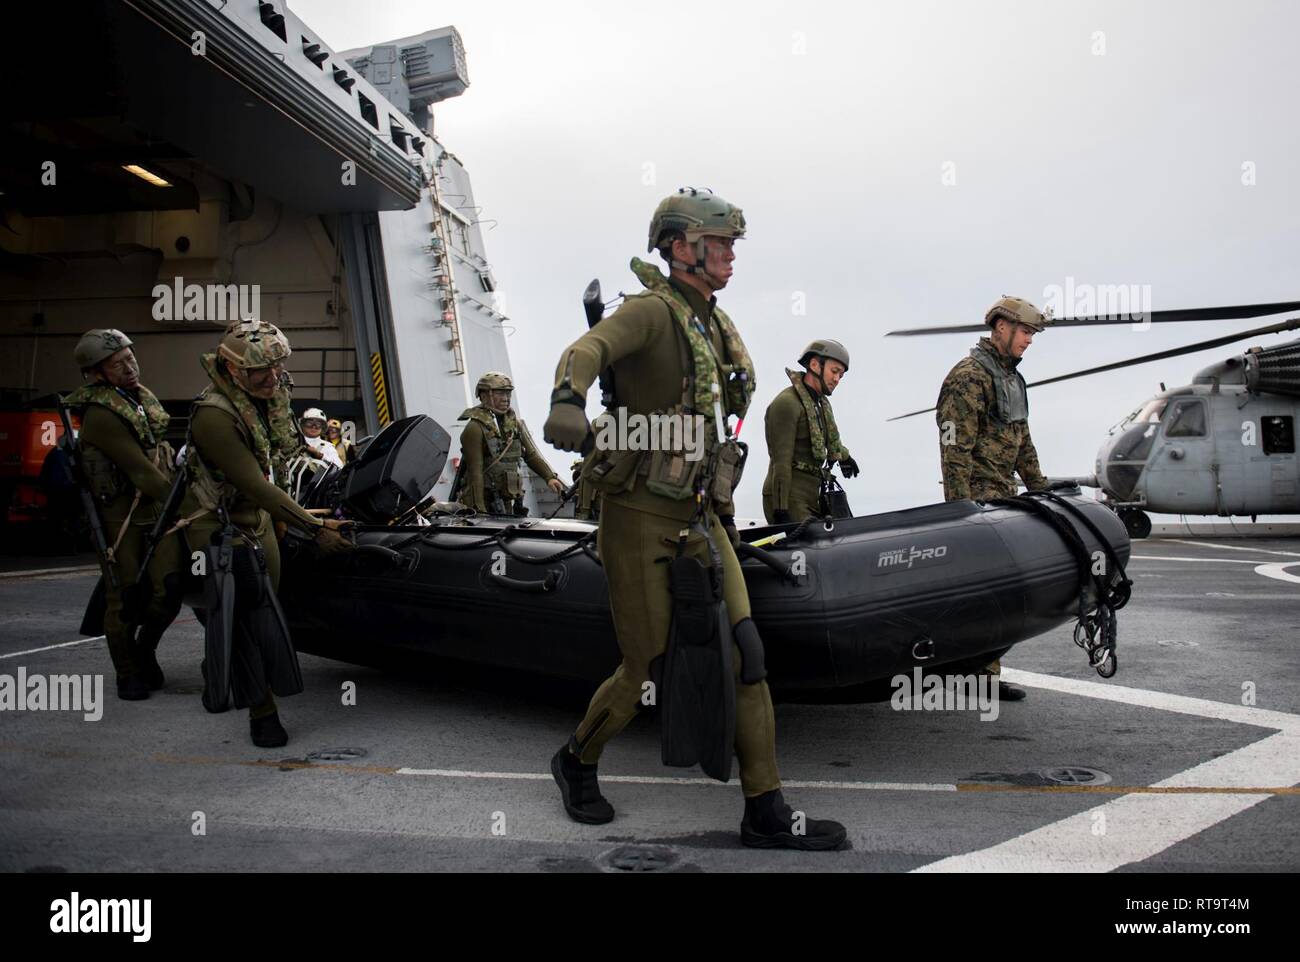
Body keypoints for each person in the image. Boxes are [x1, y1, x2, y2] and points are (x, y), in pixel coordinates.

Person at [542, 187, 846, 850]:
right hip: (639, 516)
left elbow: (712, 425)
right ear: (682, 247)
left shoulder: (709, 322)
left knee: (748, 656)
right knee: (643, 663)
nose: (731, 255)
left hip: (704, 516)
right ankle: (576, 760)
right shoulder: (652, 313)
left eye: (733, 244)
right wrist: (568, 401)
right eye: (720, 243)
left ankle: (764, 809)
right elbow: (587, 349)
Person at [185, 320, 352, 746]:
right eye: (261, 370)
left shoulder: (266, 398)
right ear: (232, 369)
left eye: (278, 368)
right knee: (245, 617)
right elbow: (255, 483)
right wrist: (314, 528)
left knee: (265, 607)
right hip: (220, 525)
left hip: (258, 519)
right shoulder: (214, 416)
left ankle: (222, 669)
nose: (272, 377)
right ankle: (262, 712)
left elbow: (281, 456)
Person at [62, 329, 190, 700]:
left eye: (131, 358)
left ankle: (144, 649)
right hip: (120, 517)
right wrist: (189, 508)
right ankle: (126, 671)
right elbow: (142, 472)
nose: (131, 367)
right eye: (118, 364)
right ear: (96, 373)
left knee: (170, 588)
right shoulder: (101, 414)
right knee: (126, 595)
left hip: (154, 510)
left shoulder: (134, 400)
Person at [935, 295, 1050, 702]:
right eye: (1025, 332)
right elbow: (954, 449)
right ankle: (965, 670)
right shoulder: (969, 377)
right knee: (984, 597)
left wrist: (1041, 490)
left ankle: (982, 673)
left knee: (1002, 597)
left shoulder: (1012, 379)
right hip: (978, 502)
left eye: (1032, 334)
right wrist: (959, 513)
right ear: (1001, 327)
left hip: (1006, 500)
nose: (1029, 341)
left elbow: (1023, 443)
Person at [761, 339, 860, 523]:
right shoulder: (787, 404)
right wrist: (781, 509)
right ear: (815, 365)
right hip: (789, 498)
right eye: (834, 371)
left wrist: (845, 458)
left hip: (812, 497)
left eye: (841, 375)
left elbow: (831, 440)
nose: (837, 380)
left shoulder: (821, 404)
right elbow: (780, 463)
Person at [454, 372, 565, 515]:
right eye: (500, 393)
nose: (506, 398)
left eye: (508, 393)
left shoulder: (515, 425)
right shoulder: (475, 428)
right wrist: (479, 508)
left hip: (507, 497)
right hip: (485, 499)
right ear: (484, 395)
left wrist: (549, 477)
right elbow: (475, 471)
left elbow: (530, 455)